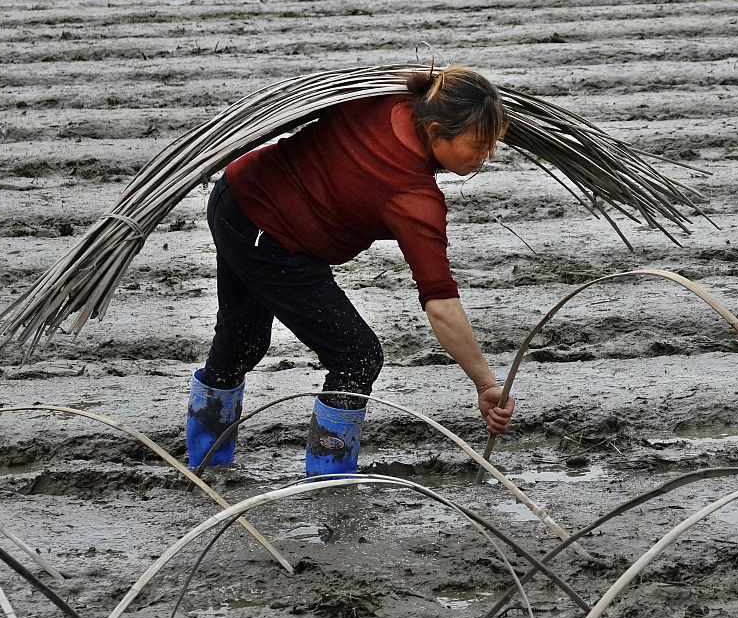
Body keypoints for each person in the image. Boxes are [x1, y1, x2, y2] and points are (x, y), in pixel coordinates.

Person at [185, 66, 515, 475]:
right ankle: (328, 477)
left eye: (492, 145)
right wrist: (485, 383)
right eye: (478, 145)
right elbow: (441, 305)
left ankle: (205, 465)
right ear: (433, 131)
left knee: (242, 339)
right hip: (266, 234)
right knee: (356, 356)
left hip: (234, 194)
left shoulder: (388, 97)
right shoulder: (413, 197)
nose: (485, 157)